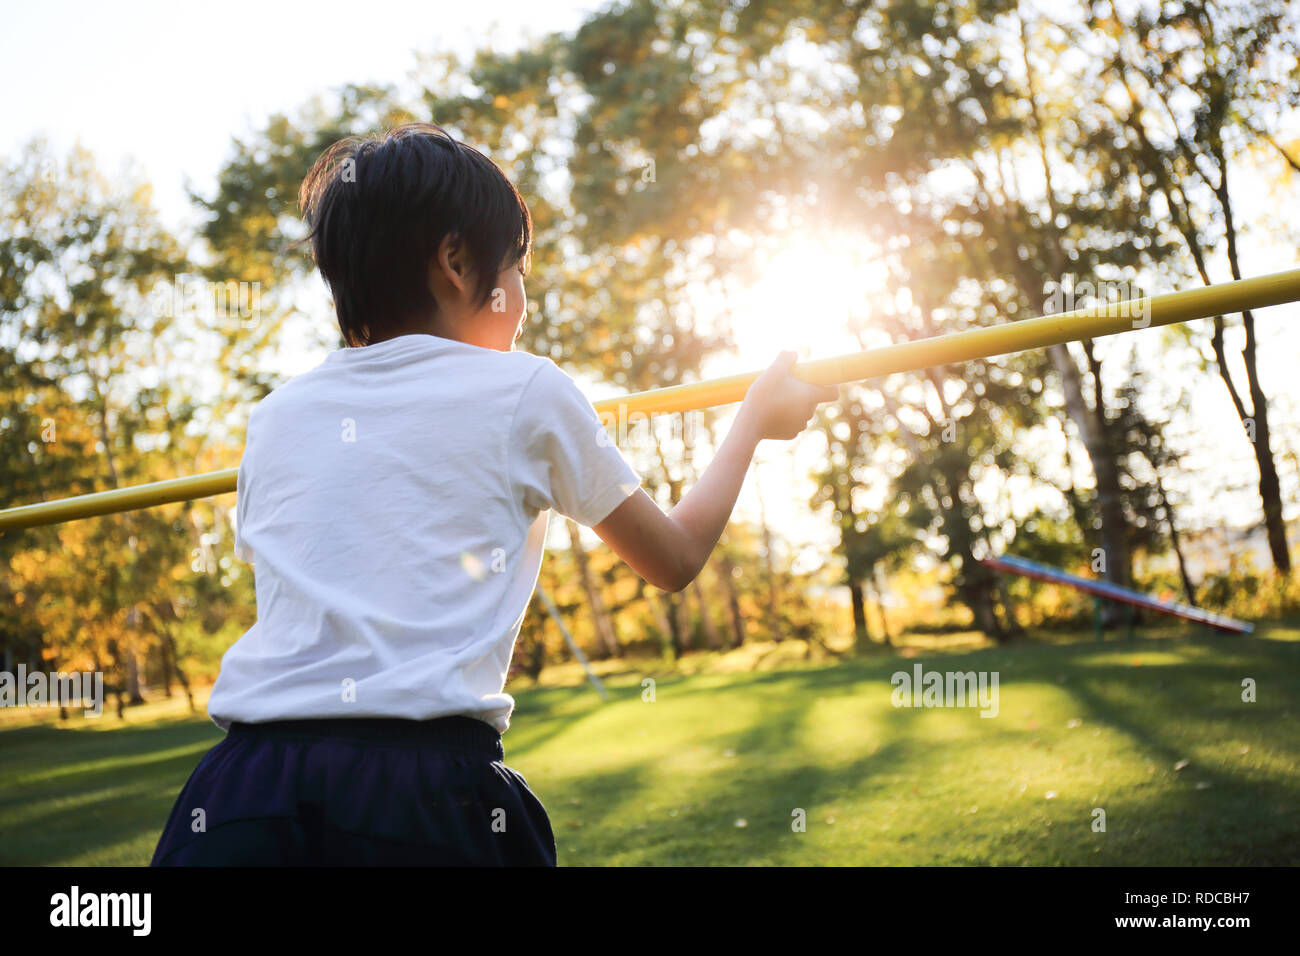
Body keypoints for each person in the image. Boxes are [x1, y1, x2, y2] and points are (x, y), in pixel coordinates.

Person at [151, 122, 837, 866]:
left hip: (239, 797)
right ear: (455, 262)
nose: (525, 300)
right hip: (418, 798)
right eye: (517, 270)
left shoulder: (274, 417)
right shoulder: (526, 389)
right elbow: (673, 558)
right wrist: (753, 423)